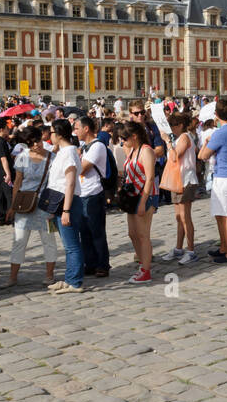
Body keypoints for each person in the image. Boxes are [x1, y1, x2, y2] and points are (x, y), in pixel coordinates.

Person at [6, 125, 59, 288]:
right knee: (19, 240)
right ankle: (12, 277)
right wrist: (13, 206)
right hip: (24, 203)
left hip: (46, 203)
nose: (36, 145)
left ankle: (49, 276)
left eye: (37, 141)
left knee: (48, 240)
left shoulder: (52, 158)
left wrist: (54, 207)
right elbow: (17, 182)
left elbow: (56, 183)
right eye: (31, 143)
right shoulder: (22, 157)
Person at [198, 99, 227, 262]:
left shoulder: (220, 133)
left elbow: (203, 156)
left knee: (224, 215)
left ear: (216, 115)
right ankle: (224, 246)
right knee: (219, 214)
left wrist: (206, 143)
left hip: (224, 176)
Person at [44, 119, 85, 292]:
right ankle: (70, 278)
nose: (50, 136)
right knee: (68, 244)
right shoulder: (63, 151)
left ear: (59, 134)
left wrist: (66, 210)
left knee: (72, 244)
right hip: (59, 200)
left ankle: (75, 281)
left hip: (67, 202)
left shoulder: (69, 153)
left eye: (52, 132)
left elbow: (69, 183)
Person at [119, 120, 159, 282]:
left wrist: (143, 202)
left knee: (143, 235)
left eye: (125, 138)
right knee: (132, 233)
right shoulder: (133, 150)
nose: (123, 141)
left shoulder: (146, 151)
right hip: (132, 196)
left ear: (134, 136)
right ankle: (143, 264)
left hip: (145, 196)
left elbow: (149, 178)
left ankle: (146, 270)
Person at [72, 116, 111, 278]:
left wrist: (76, 157)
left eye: (76, 128)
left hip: (94, 193)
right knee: (84, 233)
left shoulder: (97, 146)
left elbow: (82, 169)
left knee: (97, 232)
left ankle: (102, 264)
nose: (75, 131)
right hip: (81, 193)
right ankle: (90, 263)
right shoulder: (83, 146)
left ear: (86, 128)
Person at [158, 112, 200, 265]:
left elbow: (175, 157)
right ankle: (178, 248)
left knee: (185, 217)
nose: (171, 129)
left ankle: (191, 250)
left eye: (172, 126)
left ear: (180, 125)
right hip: (178, 180)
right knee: (178, 218)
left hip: (186, 180)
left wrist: (168, 141)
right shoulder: (180, 138)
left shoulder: (184, 137)